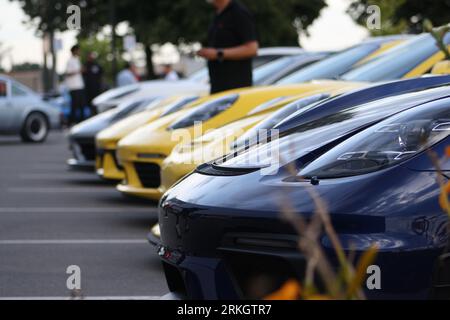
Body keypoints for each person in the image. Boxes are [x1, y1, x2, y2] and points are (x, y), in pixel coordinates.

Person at [198, 0, 259, 94]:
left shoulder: (238, 12)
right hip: (218, 86)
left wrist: (218, 53)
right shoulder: (218, 14)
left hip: (235, 89)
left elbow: (252, 49)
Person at [65, 44, 86, 125]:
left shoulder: (77, 59)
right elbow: (68, 73)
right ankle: (71, 121)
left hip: (79, 86)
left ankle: (81, 121)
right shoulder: (70, 61)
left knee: (81, 105)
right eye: (78, 50)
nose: (79, 52)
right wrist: (78, 71)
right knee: (75, 105)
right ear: (74, 51)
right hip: (73, 87)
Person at [83, 52, 103, 116]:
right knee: (90, 103)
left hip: (97, 87)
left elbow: (101, 74)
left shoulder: (97, 65)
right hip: (88, 88)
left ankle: (96, 113)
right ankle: (91, 114)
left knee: (97, 101)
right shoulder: (85, 65)